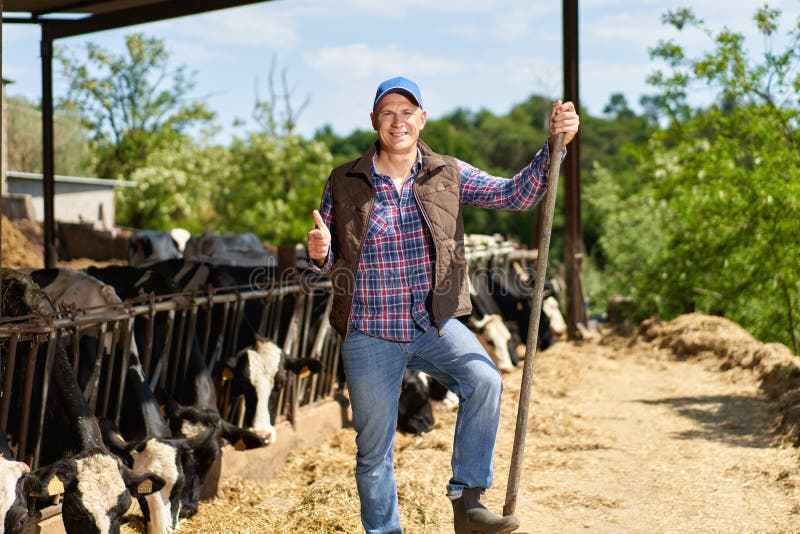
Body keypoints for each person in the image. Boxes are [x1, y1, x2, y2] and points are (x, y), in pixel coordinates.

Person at [307, 76, 579, 534]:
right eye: (388, 113)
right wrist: (319, 254)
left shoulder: (447, 172)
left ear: (422, 119)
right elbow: (330, 259)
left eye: (407, 112)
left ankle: (468, 501)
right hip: (369, 330)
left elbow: (516, 194)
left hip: (431, 322)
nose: (398, 121)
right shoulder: (344, 181)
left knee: (485, 380)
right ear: (374, 121)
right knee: (374, 451)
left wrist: (554, 146)